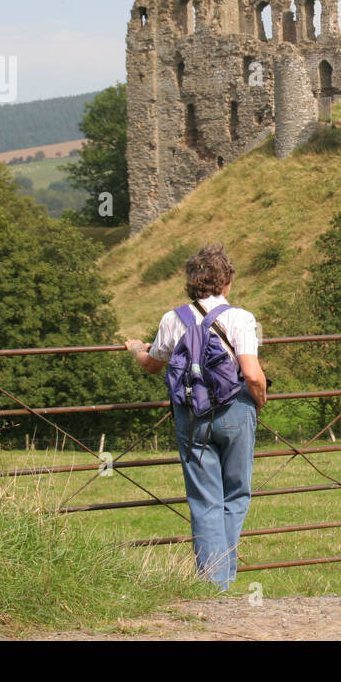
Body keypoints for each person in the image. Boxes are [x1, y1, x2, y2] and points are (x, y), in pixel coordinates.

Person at [125, 243, 267, 590]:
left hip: (191, 415)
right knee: (236, 495)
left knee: (205, 500)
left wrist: (136, 349)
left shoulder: (173, 319)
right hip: (235, 411)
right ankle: (225, 577)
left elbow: (153, 365)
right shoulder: (240, 318)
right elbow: (251, 373)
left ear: (191, 283)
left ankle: (212, 585)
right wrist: (258, 402)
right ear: (226, 281)